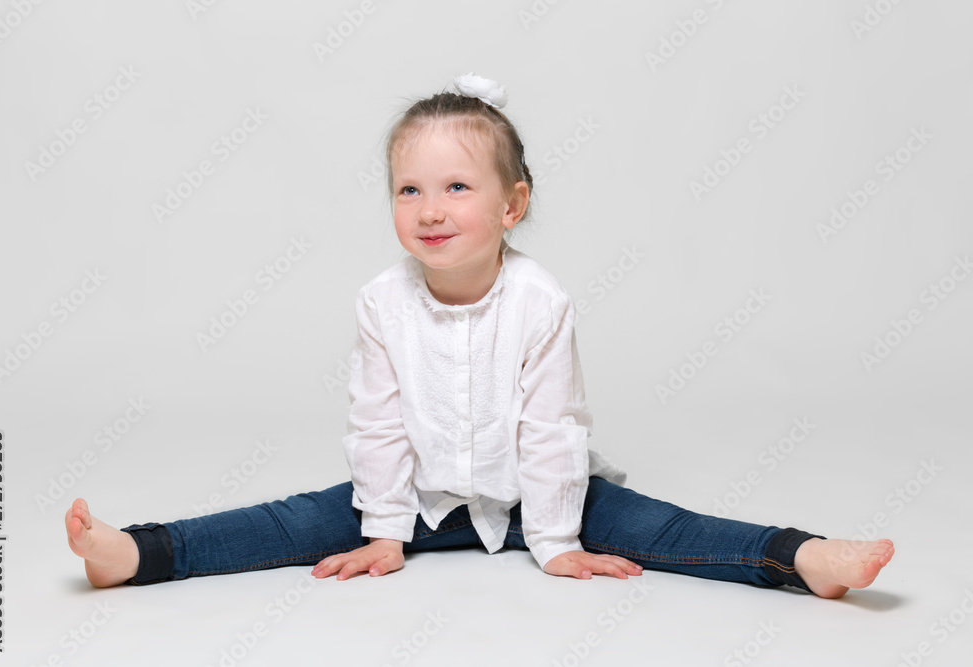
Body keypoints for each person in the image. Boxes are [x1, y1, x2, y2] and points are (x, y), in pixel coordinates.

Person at [65, 73, 894, 598]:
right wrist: (385, 527)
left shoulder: (539, 299)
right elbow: (377, 422)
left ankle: (802, 557)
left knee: (658, 526)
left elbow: (554, 424)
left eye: (457, 187)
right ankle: (136, 553)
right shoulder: (381, 301)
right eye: (409, 189)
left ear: (511, 206)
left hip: (538, 494)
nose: (430, 209)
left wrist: (558, 539)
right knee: (292, 522)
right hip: (417, 499)